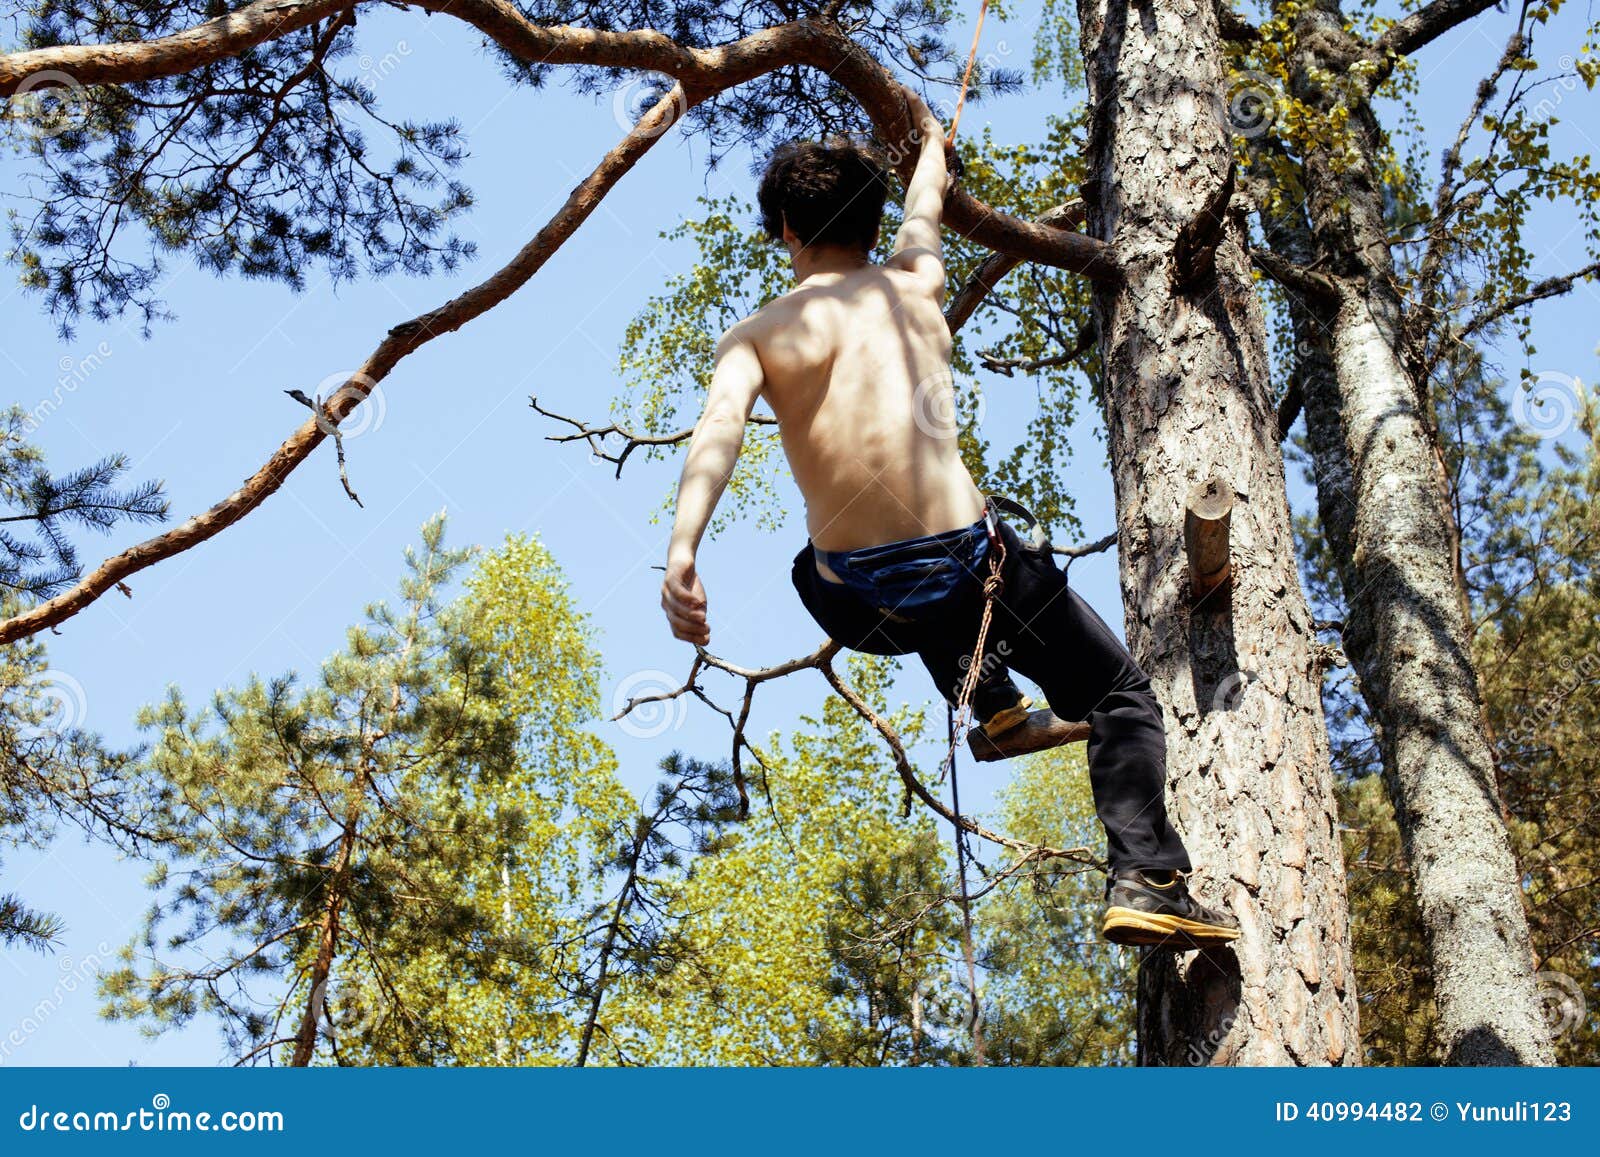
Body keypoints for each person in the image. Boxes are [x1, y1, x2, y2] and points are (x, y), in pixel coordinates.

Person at [659, 86, 1238, 948]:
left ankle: (996, 705)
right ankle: (1146, 875)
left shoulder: (755, 335)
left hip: (860, 598)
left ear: (786, 227)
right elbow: (927, 197)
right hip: (975, 572)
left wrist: (682, 552)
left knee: (816, 568)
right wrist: (931, 138)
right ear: (871, 219)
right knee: (1118, 694)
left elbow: (719, 431)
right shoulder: (915, 282)